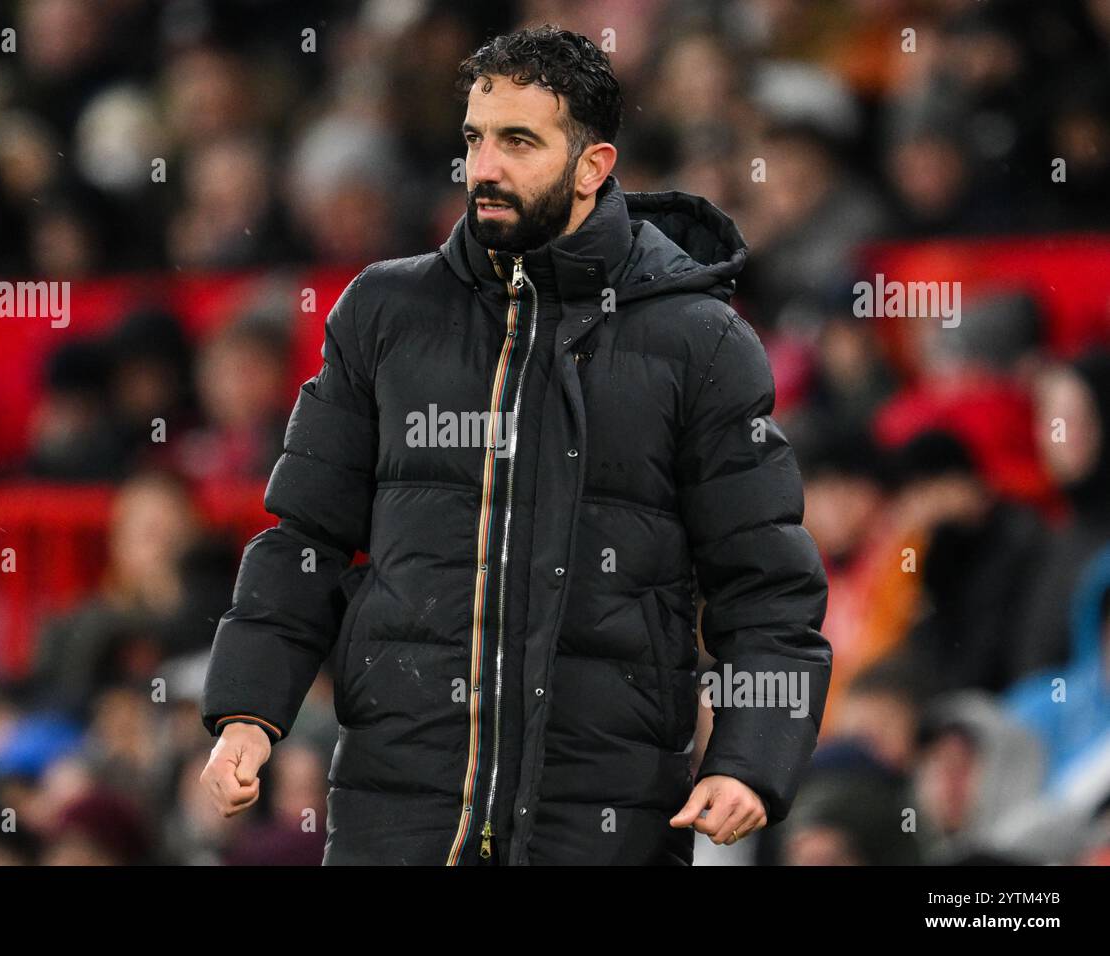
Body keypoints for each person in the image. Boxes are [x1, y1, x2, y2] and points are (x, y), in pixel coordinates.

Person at [199, 25, 831, 866]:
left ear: (593, 166)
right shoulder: (382, 314)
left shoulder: (701, 344)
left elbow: (767, 587)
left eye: (518, 142)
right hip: (398, 816)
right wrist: (248, 712)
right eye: (474, 138)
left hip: (604, 820)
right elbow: (303, 541)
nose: (483, 167)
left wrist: (752, 761)